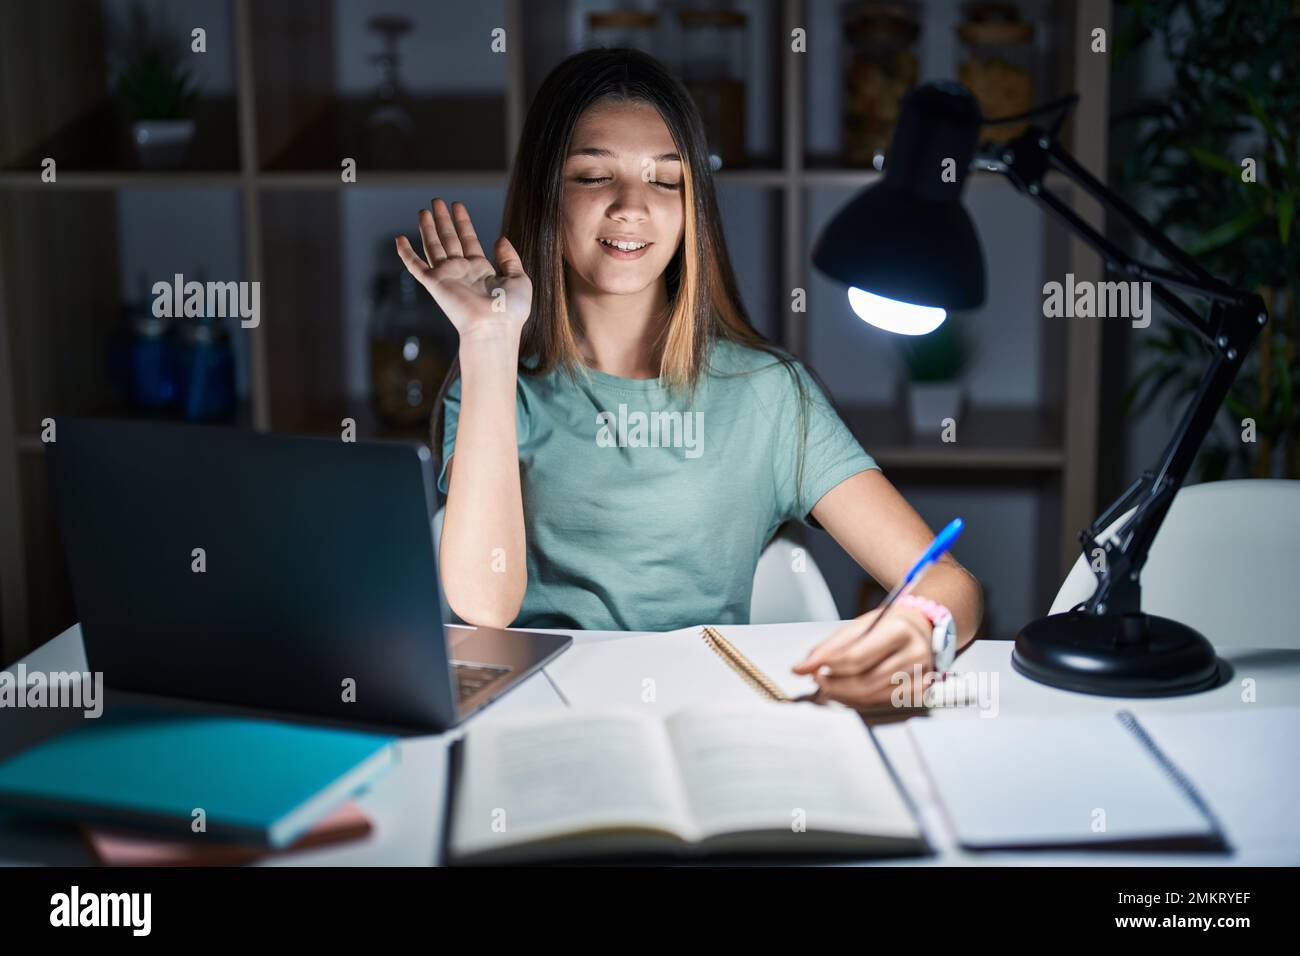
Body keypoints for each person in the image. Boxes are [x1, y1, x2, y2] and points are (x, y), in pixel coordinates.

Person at [395, 48, 982, 711]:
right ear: (545, 194)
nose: (631, 207)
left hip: (713, 718)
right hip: (545, 716)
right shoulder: (498, 382)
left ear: (691, 206)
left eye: (665, 181)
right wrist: (488, 341)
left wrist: (916, 625)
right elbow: (483, 606)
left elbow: (952, 582)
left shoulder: (769, 394)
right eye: (593, 176)